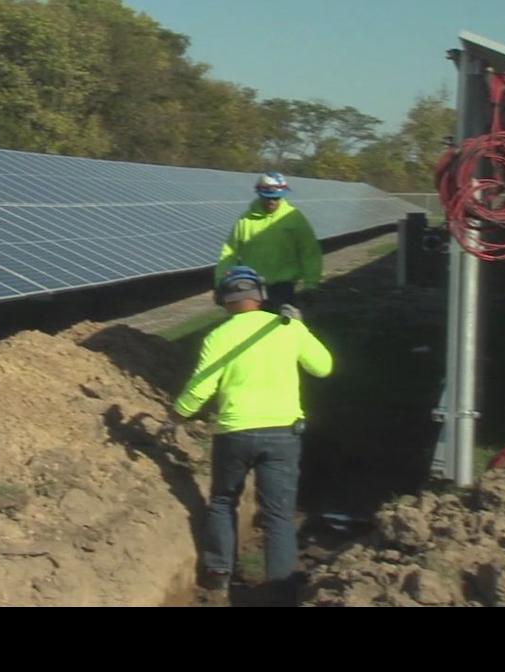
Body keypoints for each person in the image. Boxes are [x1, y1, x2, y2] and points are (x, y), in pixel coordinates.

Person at [170, 266, 334, 604]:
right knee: (277, 512)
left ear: (223, 301)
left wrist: (178, 414)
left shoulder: (217, 337)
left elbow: (201, 387)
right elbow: (323, 367)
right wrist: (301, 327)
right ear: (261, 296)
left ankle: (218, 573)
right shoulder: (288, 330)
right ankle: (281, 585)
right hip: (282, 434)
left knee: (222, 501)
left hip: (235, 432)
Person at [214, 172, 323, 313]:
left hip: (283, 287)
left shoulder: (294, 218)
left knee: (281, 329)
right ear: (259, 194)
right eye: (267, 198)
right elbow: (229, 253)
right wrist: (220, 284)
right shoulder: (245, 221)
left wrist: (311, 285)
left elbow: (310, 252)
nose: (272, 201)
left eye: (276, 198)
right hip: (251, 287)